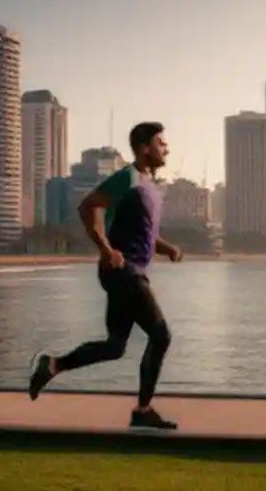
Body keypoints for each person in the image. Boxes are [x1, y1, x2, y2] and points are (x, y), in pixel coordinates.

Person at [27, 121, 182, 430]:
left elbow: (145, 234)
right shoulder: (127, 178)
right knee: (161, 334)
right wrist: (105, 248)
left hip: (129, 272)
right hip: (122, 271)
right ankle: (142, 410)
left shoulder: (151, 188)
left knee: (115, 346)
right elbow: (89, 207)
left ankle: (53, 365)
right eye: (161, 143)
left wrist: (167, 248)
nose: (167, 148)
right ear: (143, 148)